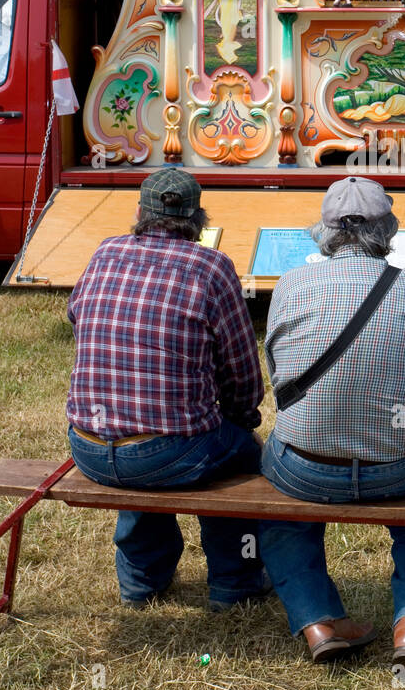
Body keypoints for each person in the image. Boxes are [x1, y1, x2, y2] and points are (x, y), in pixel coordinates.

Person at [257, 177, 405, 674]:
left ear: (323, 232)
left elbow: (278, 373)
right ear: (387, 229)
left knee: (279, 504)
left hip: (306, 469)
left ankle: (317, 620)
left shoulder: (291, 285)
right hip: (402, 469)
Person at [66, 168, 268, 611]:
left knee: (145, 441)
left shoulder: (105, 252)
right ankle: (237, 582)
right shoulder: (212, 267)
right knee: (243, 458)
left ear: (139, 213)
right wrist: (240, 419)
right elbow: (242, 374)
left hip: (88, 446)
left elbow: (77, 317)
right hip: (165, 452)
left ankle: (142, 582)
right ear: (199, 219)